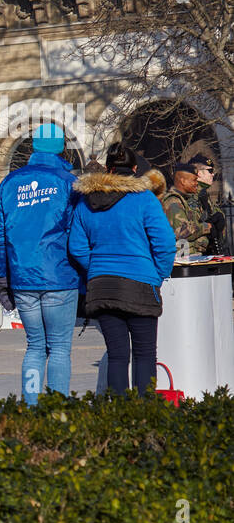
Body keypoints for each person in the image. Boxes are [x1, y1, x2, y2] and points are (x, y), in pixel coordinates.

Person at [69, 143, 175, 394]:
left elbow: (76, 246)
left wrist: (97, 268)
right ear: (135, 169)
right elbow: (165, 243)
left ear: (108, 169)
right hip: (141, 284)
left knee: (117, 355)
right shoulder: (145, 199)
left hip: (102, 287)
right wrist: (158, 273)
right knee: (145, 354)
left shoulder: (86, 202)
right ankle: (144, 409)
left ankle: (118, 411)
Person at [0, 122, 81, 404]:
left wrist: (2, 276)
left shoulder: (9, 184)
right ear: (61, 148)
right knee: (60, 348)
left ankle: (30, 406)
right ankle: (56, 407)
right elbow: (77, 233)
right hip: (60, 276)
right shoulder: (68, 183)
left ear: (34, 147)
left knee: (34, 347)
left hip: (22, 277)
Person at [160, 161, 212, 256]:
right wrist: (207, 227)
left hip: (190, 256)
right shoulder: (173, 202)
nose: (196, 183)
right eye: (194, 180)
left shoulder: (184, 200)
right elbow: (182, 232)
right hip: (181, 258)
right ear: (183, 181)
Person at [188, 153, 225, 254]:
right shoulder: (191, 195)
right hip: (194, 255)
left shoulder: (203, 194)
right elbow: (188, 230)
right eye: (210, 171)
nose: (213, 174)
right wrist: (208, 227)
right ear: (199, 173)